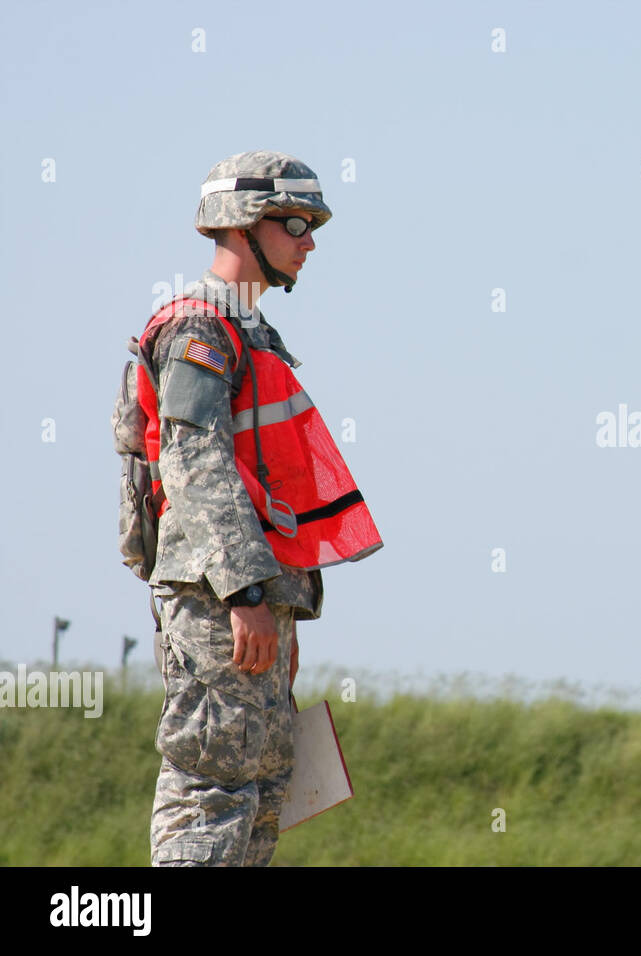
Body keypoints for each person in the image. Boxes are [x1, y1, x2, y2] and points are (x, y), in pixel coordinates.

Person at [136, 151, 382, 866]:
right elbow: (194, 462)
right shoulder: (200, 330)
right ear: (244, 226)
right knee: (213, 787)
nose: (310, 242)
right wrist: (243, 591)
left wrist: (279, 604)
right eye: (297, 222)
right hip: (221, 596)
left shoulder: (248, 331)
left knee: (263, 791)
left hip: (252, 597)